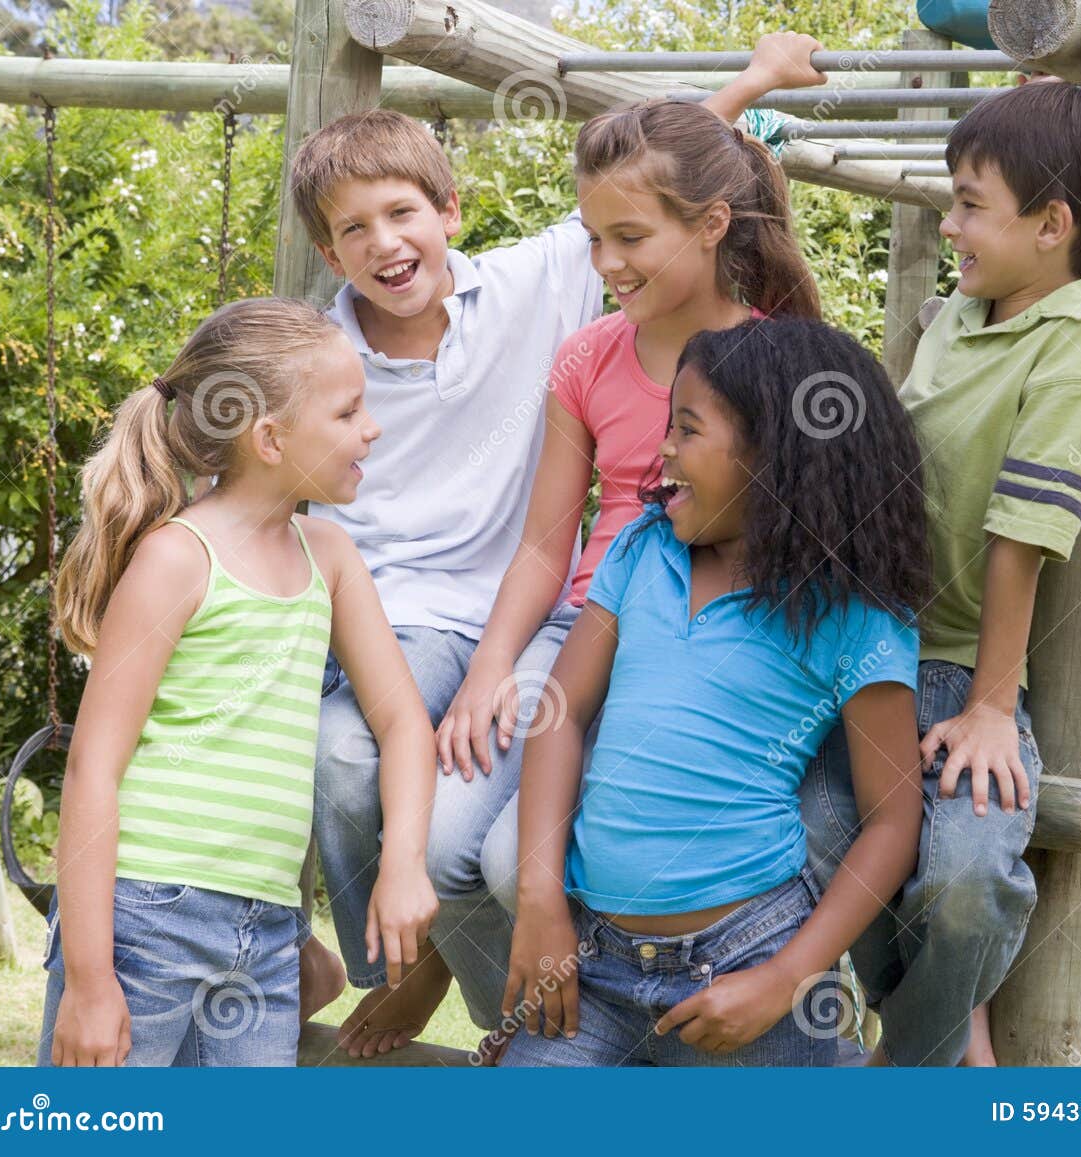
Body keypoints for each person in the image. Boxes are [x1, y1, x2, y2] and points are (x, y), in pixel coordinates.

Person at [289, 34, 830, 1058]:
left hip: (661, 630)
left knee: (498, 854)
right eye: (352, 229)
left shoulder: (588, 300)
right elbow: (549, 537)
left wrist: (752, 82)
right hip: (519, 616)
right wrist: (500, 663)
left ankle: (594, 1032)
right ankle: (518, 1018)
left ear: (448, 212)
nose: (383, 241)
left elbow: (663, 182)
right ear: (330, 252)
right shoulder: (553, 345)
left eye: (401, 212)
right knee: (406, 809)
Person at [806, 78, 1081, 1066]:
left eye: (968, 203)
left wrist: (994, 707)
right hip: (870, 655)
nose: (947, 221)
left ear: (1051, 225)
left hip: (967, 672)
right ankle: (949, 1046)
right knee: (821, 844)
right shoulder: (962, 311)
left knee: (964, 882)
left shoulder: (1080, 345)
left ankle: (910, 1066)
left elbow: (1019, 536)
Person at [501, 317, 927, 1066]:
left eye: (687, 429)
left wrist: (783, 979)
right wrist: (538, 899)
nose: (662, 449)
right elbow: (559, 714)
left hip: (746, 967)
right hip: (592, 960)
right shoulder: (642, 548)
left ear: (777, 457)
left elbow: (893, 822)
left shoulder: (854, 617)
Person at [38, 298, 438, 1066]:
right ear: (269, 437)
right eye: (349, 411)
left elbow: (403, 725)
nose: (371, 428)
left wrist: (404, 860)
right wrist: (90, 980)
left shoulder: (330, 557)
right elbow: (93, 767)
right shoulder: (178, 558)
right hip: (143, 916)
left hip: (264, 934)